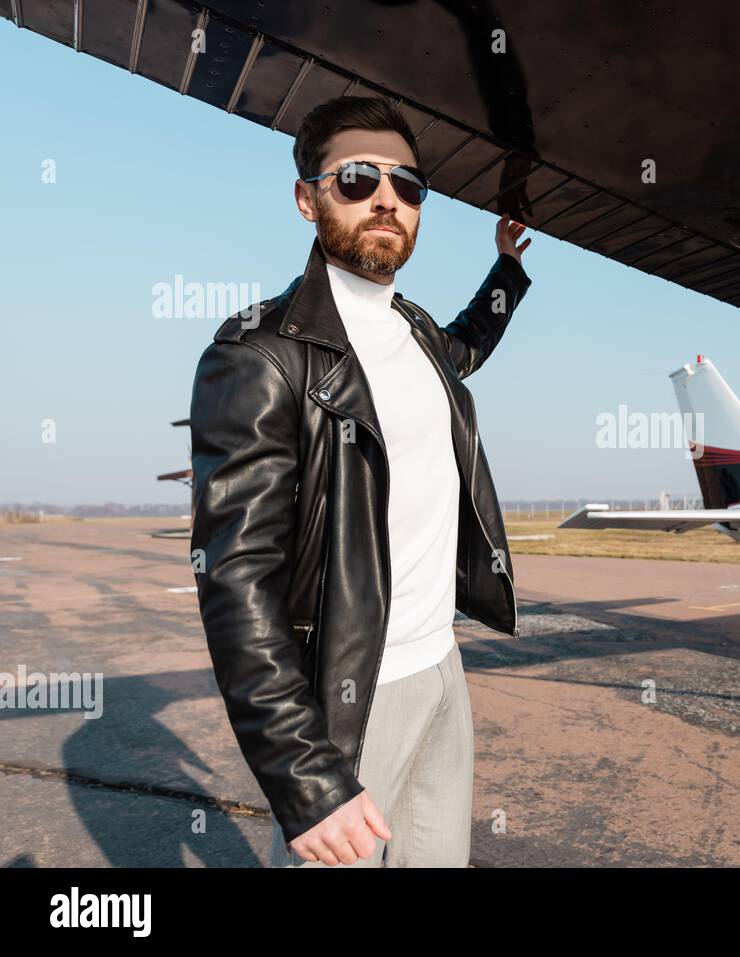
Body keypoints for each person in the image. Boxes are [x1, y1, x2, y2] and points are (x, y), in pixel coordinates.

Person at [188, 95, 532, 867]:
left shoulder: (414, 329)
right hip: (353, 689)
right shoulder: (259, 356)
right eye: (356, 177)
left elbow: (469, 344)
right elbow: (236, 579)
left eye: (408, 185)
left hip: (441, 668)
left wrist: (508, 266)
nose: (387, 197)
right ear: (307, 198)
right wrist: (304, 780)